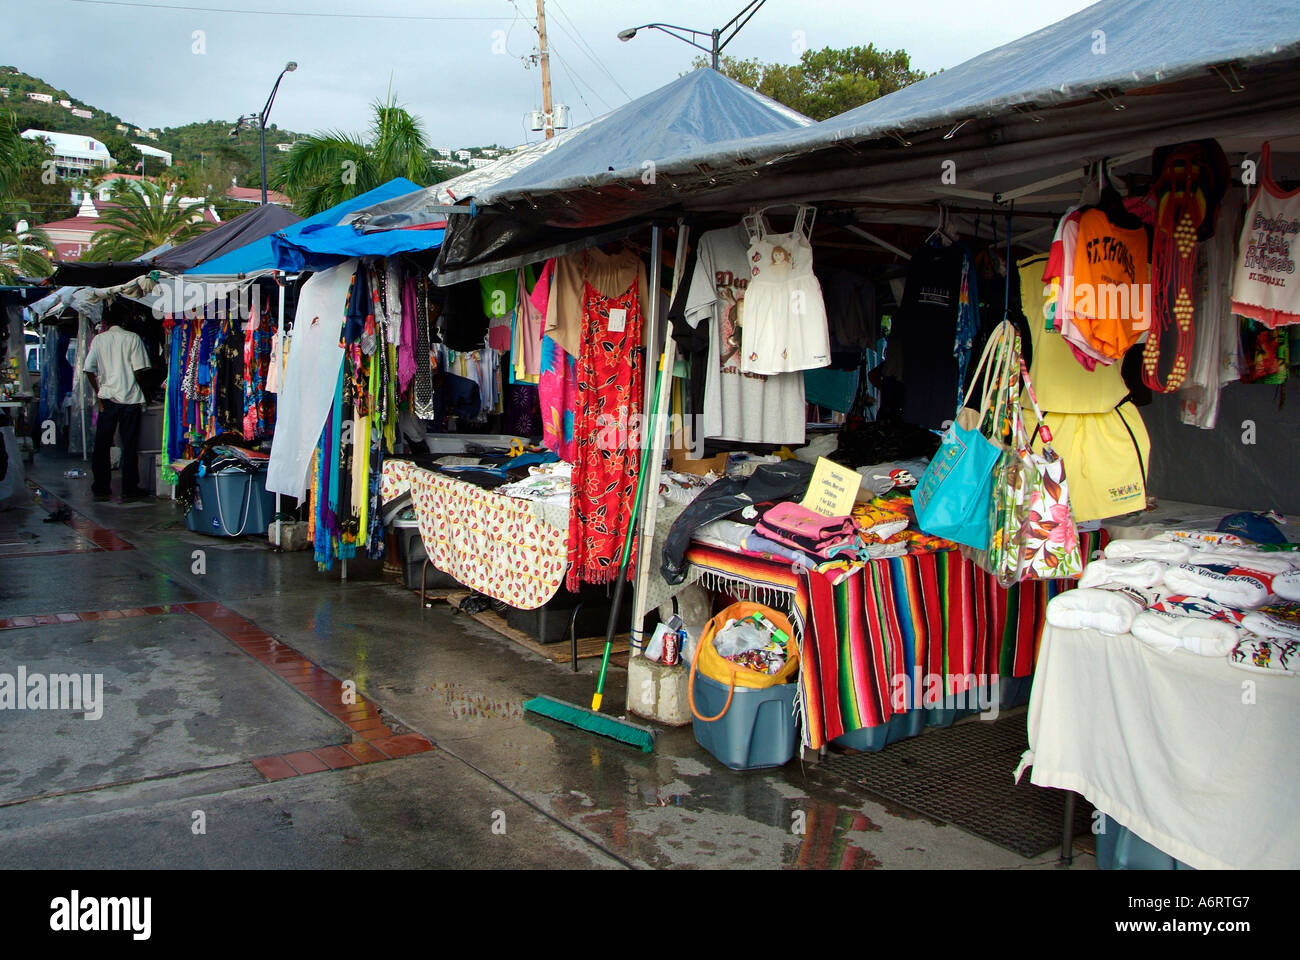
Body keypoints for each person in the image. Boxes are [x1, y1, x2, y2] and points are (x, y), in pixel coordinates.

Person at [82, 314, 151, 502]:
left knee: (103, 443)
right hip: (130, 398)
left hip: (108, 397)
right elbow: (139, 370)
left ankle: (101, 487)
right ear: (125, 321)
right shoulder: (132, 338)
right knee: (129, 445)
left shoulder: (99, 340)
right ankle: (129, 488)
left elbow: (88, 369)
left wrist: (98, 392)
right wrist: (145, 391)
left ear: (106, 323)